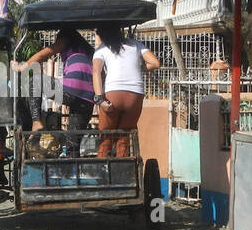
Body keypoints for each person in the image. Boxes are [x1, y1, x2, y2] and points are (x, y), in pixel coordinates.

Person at [92, 26, 160, 158]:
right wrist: (138, 68)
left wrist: (100, 99)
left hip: (113, 94)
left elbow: (96, 72)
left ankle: (101, 174)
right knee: (124, 138)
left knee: (106, 138)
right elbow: (155, 63)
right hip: (135, 96)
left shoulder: (102, 49)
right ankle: (123, 174)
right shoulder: (136, 44)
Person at [13, 27, 95, 133]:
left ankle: (36, 122)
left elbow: (43, 54)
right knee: (73, 143)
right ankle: (71, 150)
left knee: (36, 81)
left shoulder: (66, 39)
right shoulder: (89, 51)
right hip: (88, 97)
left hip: (71, 89)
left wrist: (21, 67)